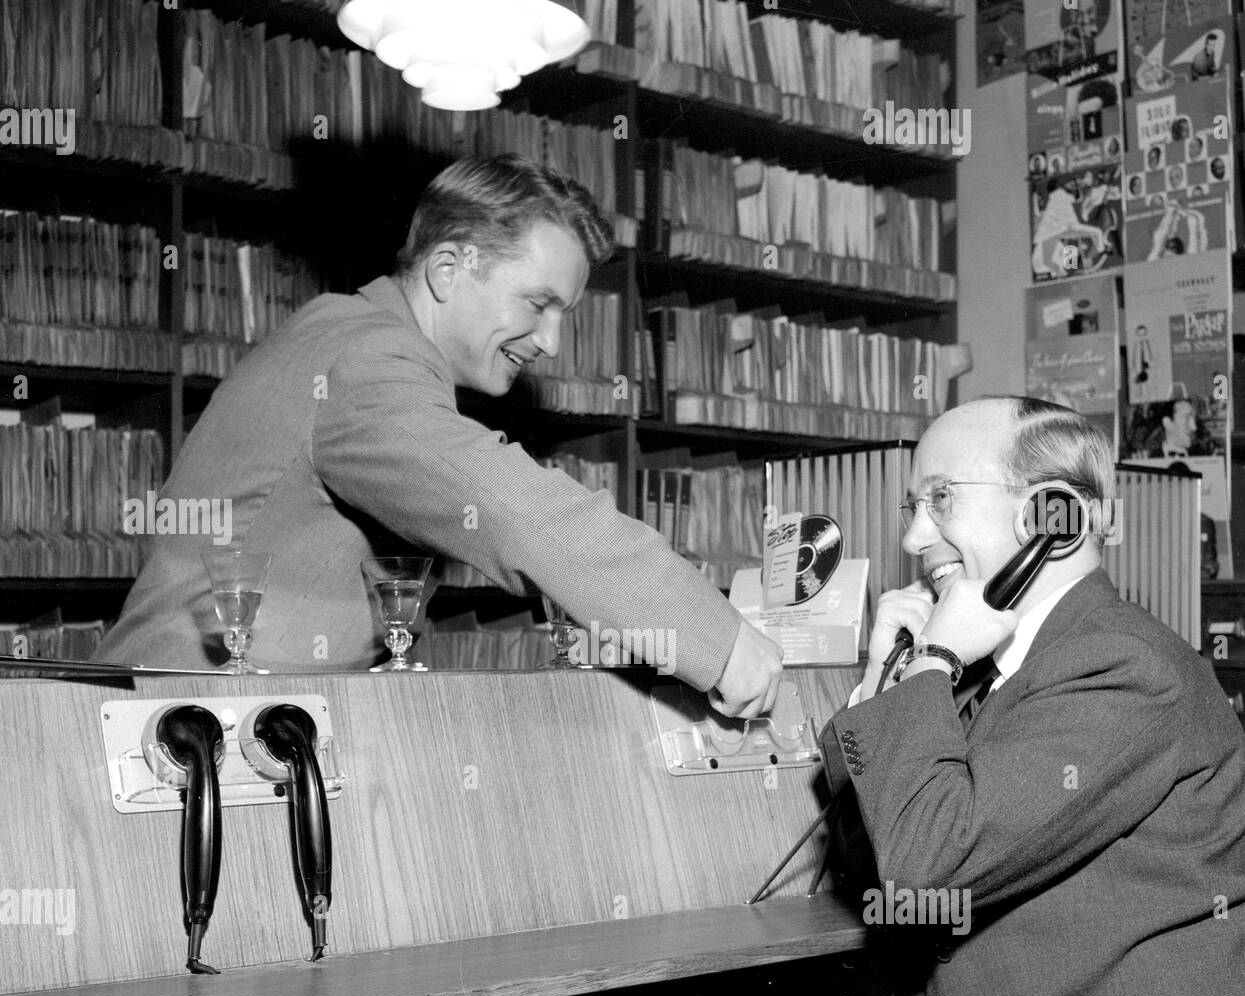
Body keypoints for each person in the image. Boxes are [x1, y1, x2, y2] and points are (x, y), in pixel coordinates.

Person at [686, 396, 1245, 996]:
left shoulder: (1123, 669)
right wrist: (888, 676)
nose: (914, 536)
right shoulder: (1014, 665)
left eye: (940, 498)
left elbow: (928, 858)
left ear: (1052, 517)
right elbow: (872, 854)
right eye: (914, 503)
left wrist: (937, 663)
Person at [96, 155, 783, 718]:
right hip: (177, 734)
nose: (550, 341)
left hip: (229, 720)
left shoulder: (351, 332)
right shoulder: (366, 358)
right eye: (539, 304)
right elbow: (514, 509)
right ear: (448, 269)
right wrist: (716, 639)